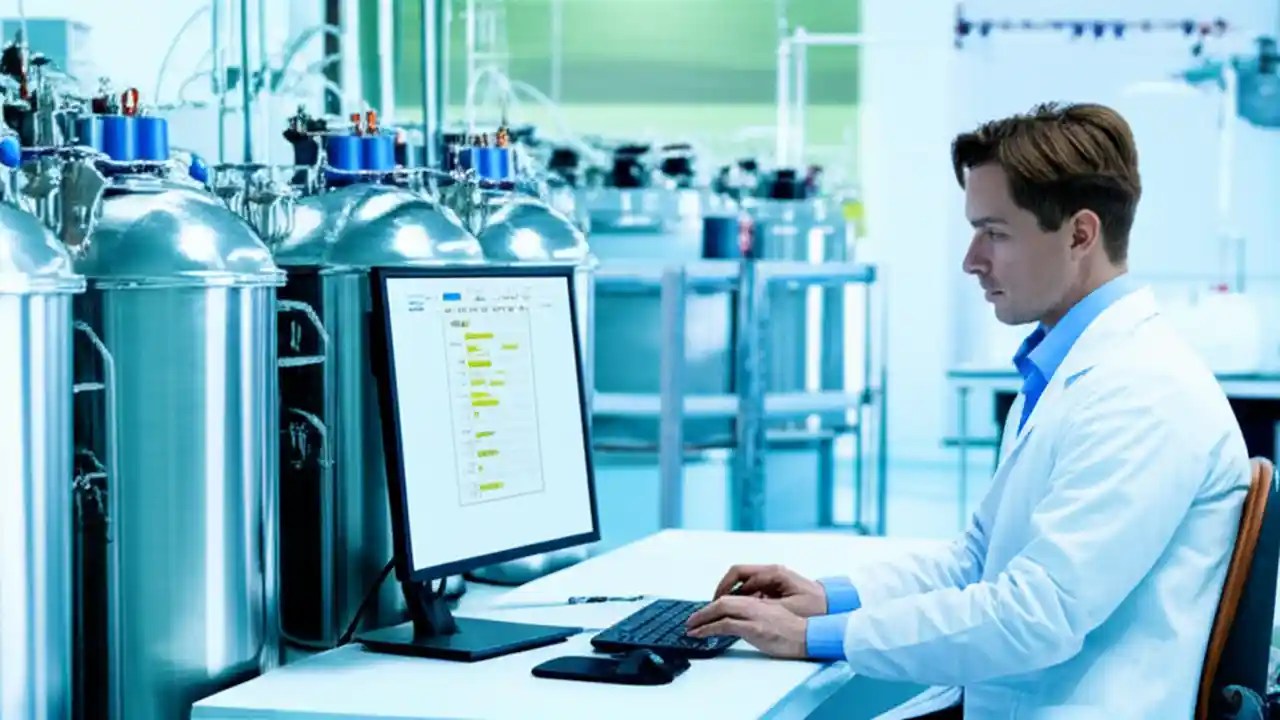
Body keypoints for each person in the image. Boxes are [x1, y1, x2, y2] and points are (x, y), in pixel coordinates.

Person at [685, 102, 1252, 718]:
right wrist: (827, 600)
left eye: (996, 233)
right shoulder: (1068, 371)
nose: (972, 259)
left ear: (1079, 235)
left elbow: (1040, 614)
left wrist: (814, 639)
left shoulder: (1143, 392)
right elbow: (977, 560)